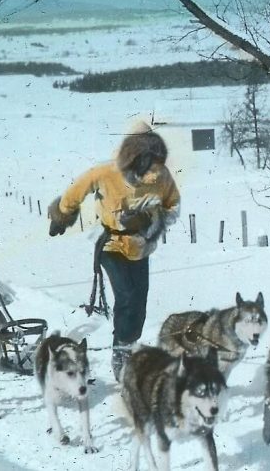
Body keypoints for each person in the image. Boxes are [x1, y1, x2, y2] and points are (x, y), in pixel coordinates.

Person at [47, 124, 180, 381]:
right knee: (126, 295)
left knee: (139, 303)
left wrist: (151, 221)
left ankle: (128, 346)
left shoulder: (162, 176)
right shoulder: (106, 172)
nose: (150, 166)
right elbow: (77, 191)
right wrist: (62, 215)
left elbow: (173, 205)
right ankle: (120, 352)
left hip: (141, 246)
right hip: (109, 243)